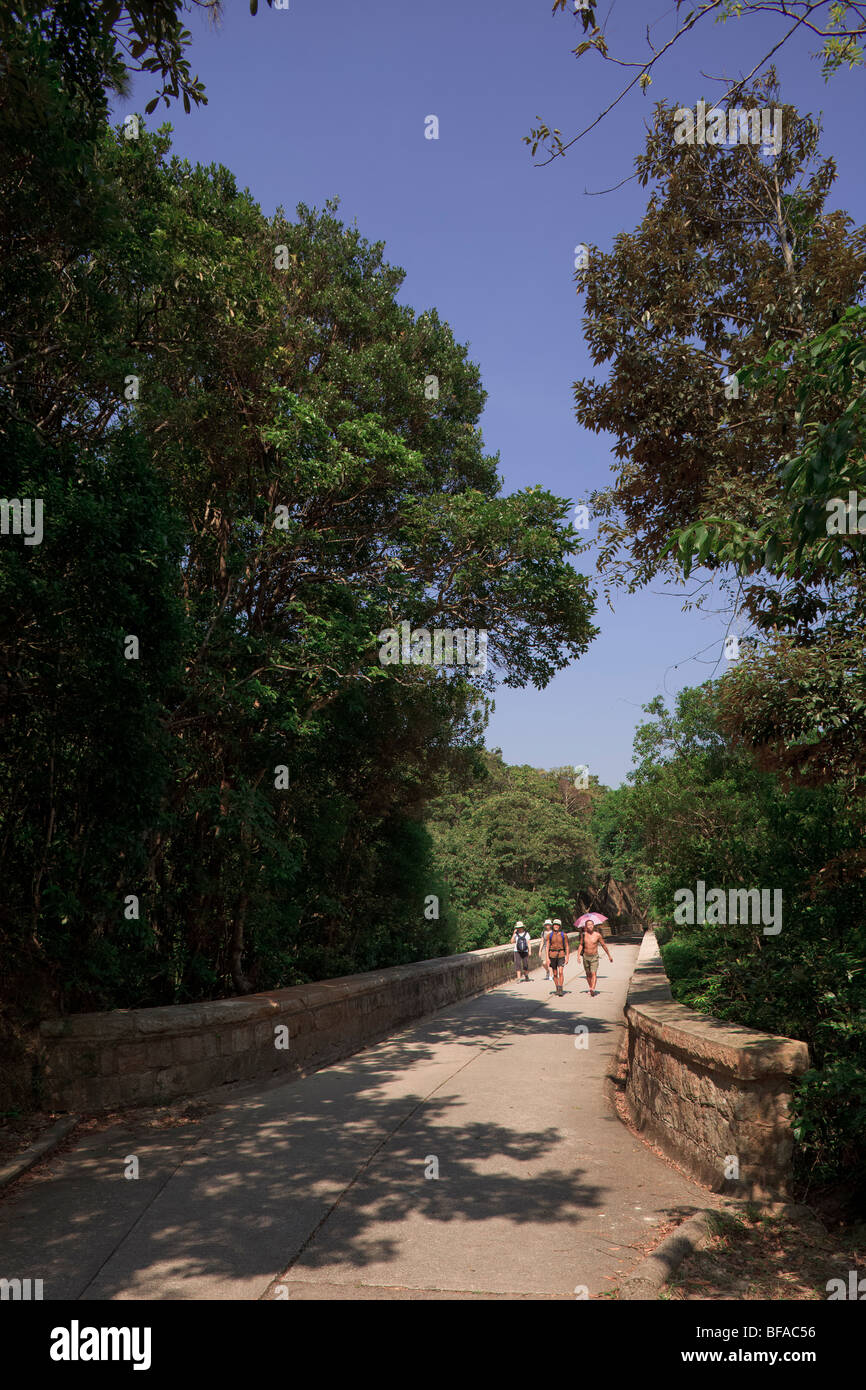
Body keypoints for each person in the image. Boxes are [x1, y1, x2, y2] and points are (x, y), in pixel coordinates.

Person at [578, 920, 613, 997]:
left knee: (593, 973)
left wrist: (609, 955)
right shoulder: (583, 935)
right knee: (588, 974)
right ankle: (591, 987)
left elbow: (603, 945)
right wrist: (578, 956)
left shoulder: (597, 935)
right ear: (586, 926)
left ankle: (592, 989)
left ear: (594, 925)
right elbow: (581, 945)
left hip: (594, 957)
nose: (590, 926)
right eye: (588, 925)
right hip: (585, 956)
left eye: (591, 924)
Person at [546, 918, 569, 996]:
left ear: (560, 926)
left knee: (561, 972)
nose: (556, 926)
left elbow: (567, 946)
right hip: (552, 955)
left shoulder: (564, 935)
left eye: (557, 925)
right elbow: (547, 946)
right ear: (553, 926)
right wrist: (547, 958)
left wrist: (567, 957)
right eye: (555, 925)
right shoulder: (550, 935)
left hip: (561, 954)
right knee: (555, 974)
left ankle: (561, 988)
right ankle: (557, 988)